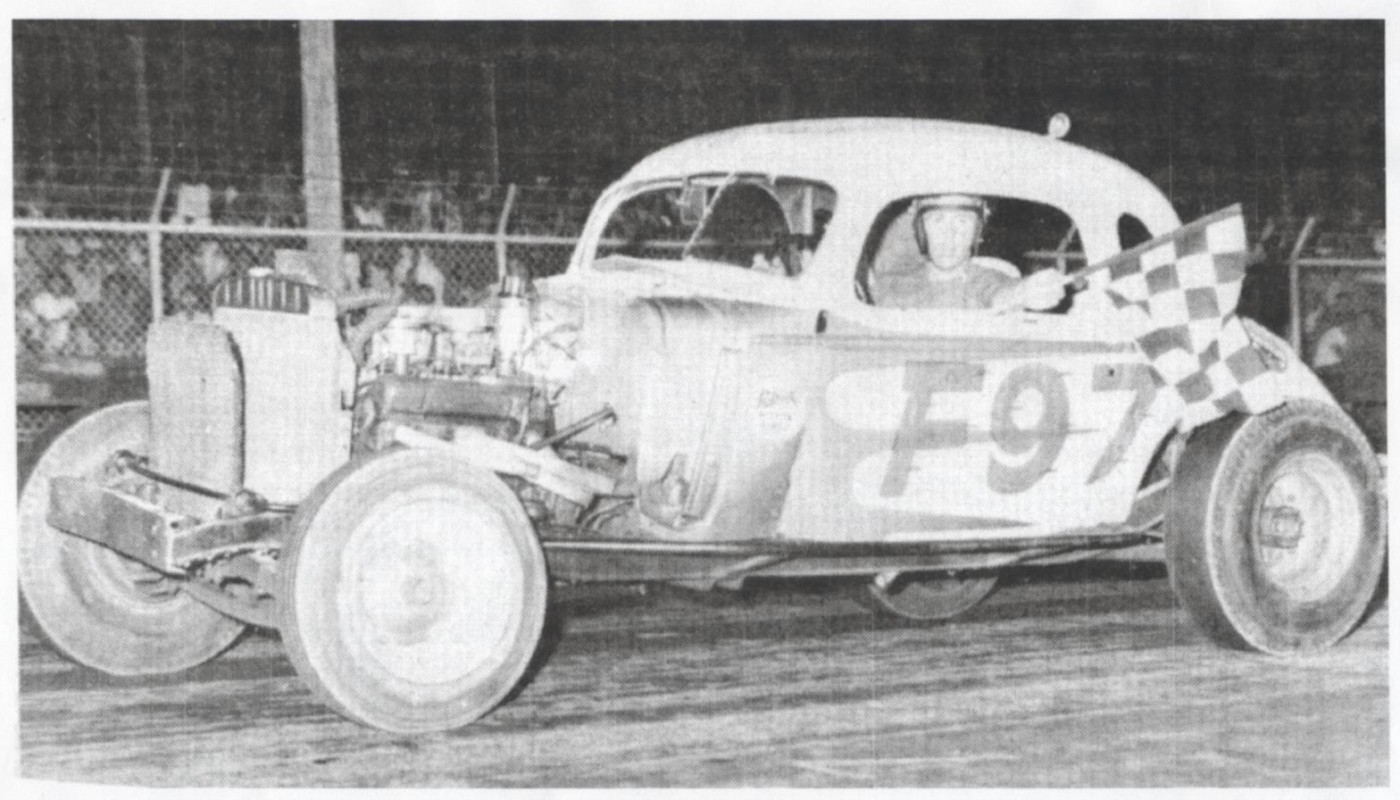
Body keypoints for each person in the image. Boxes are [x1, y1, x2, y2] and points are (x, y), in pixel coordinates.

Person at [872, 194, 1065, 311]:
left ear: (977, 231)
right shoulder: (893, 284)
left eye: (962, 221)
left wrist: (1026, 292)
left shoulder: (986, 279)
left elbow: (1002, 292)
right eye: (937, 220)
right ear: (920, 229)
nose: (949, 234)